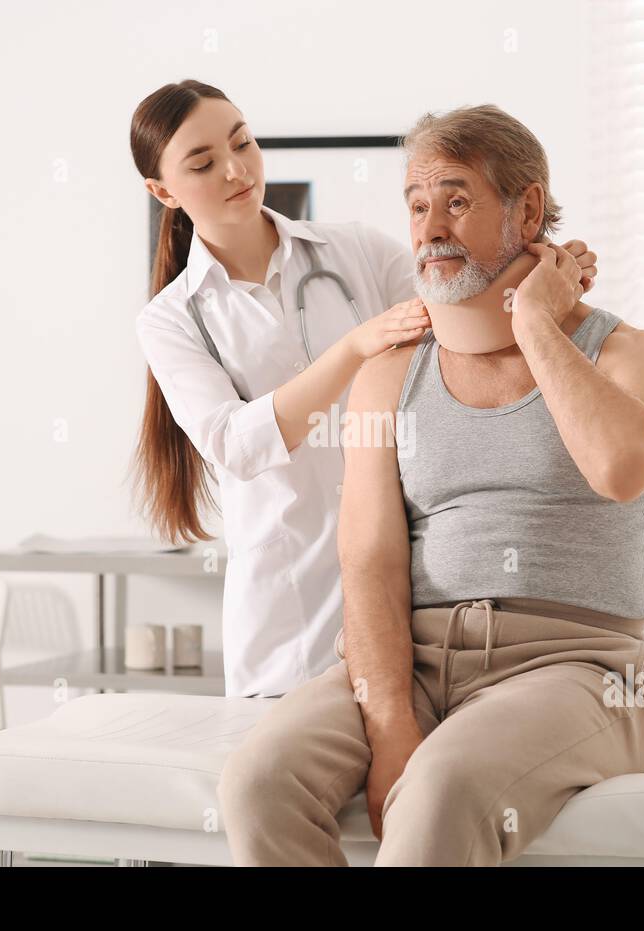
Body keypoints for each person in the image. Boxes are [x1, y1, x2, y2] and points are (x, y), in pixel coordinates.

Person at [217, 104, 644, 865]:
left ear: (527, 208)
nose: (430, 226)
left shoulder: (630, 354)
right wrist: (391, 718)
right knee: (258, 783)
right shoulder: (390, 373)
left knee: (442, 791)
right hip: (417, 657)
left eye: (458, 200)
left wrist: (535, 322)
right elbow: (367, 559)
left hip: (579, 670)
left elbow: (623, 468)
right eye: (416, 203)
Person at [129, 80, 599, 697]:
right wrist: (354, 347)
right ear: (162, 190)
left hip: (404, 588)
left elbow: (465, 308)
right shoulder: (171, 318)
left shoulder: (353, 250)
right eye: (203, 163)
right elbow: (237, 446)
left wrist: (544, 275)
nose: (236, 169)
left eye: (243, 143)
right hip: (290, 615)